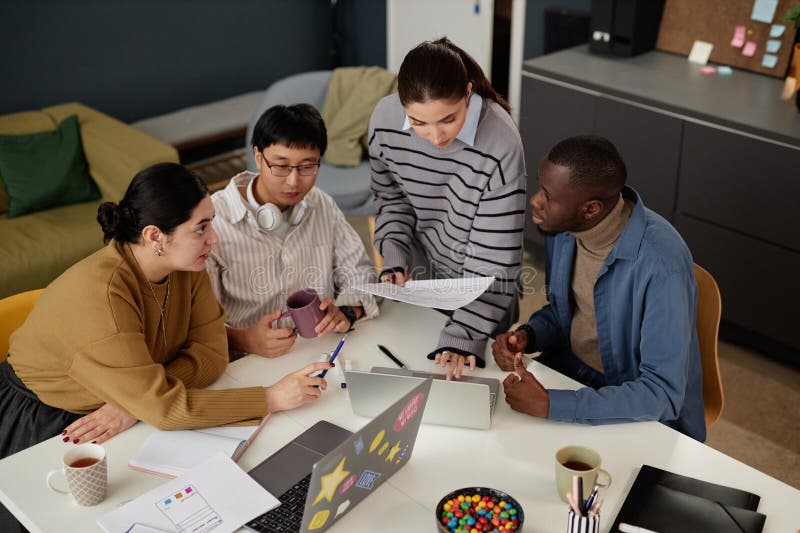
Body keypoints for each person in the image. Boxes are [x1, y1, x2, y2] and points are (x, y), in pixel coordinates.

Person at [0, 162, 334, 460]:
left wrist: (135, 402)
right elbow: (166, 409)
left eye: (212, 223)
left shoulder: (187, 266)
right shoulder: (102, 298)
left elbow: (213, 353)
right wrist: (271, 398)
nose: (214, 238)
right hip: (49, 417)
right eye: (201, 228)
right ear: (154, 237)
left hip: (124, 403)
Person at [492, 135, 705, 441]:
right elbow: (566, 310)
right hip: (570, 369)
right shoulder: (565, 230)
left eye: (548, 197)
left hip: (633, 403)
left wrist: (555, 405)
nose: (535, 200)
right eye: (540, 187)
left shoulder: (662, 265)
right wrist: (529, 335)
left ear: (590, 209)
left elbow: (662, 393)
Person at [369, 37, 526, 379]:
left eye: (448, 119)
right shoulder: (384, 121)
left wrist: (463, 334)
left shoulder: (500, 142)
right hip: (423, 282)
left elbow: (495, 257)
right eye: (419, 122)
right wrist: (395, 254)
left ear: (468, 92)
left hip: (485, 293)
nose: (436, 136)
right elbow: (392, 198)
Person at [206, 104, 379, 358]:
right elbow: (195, 326)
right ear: (258, 157)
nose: (294, 181)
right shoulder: (214, 221)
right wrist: (243, 340)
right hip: (249, 362)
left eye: (307, 166)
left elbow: (360, 272)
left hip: (322, 351)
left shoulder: (320, 203)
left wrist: (348, 310)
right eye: (281, 166)